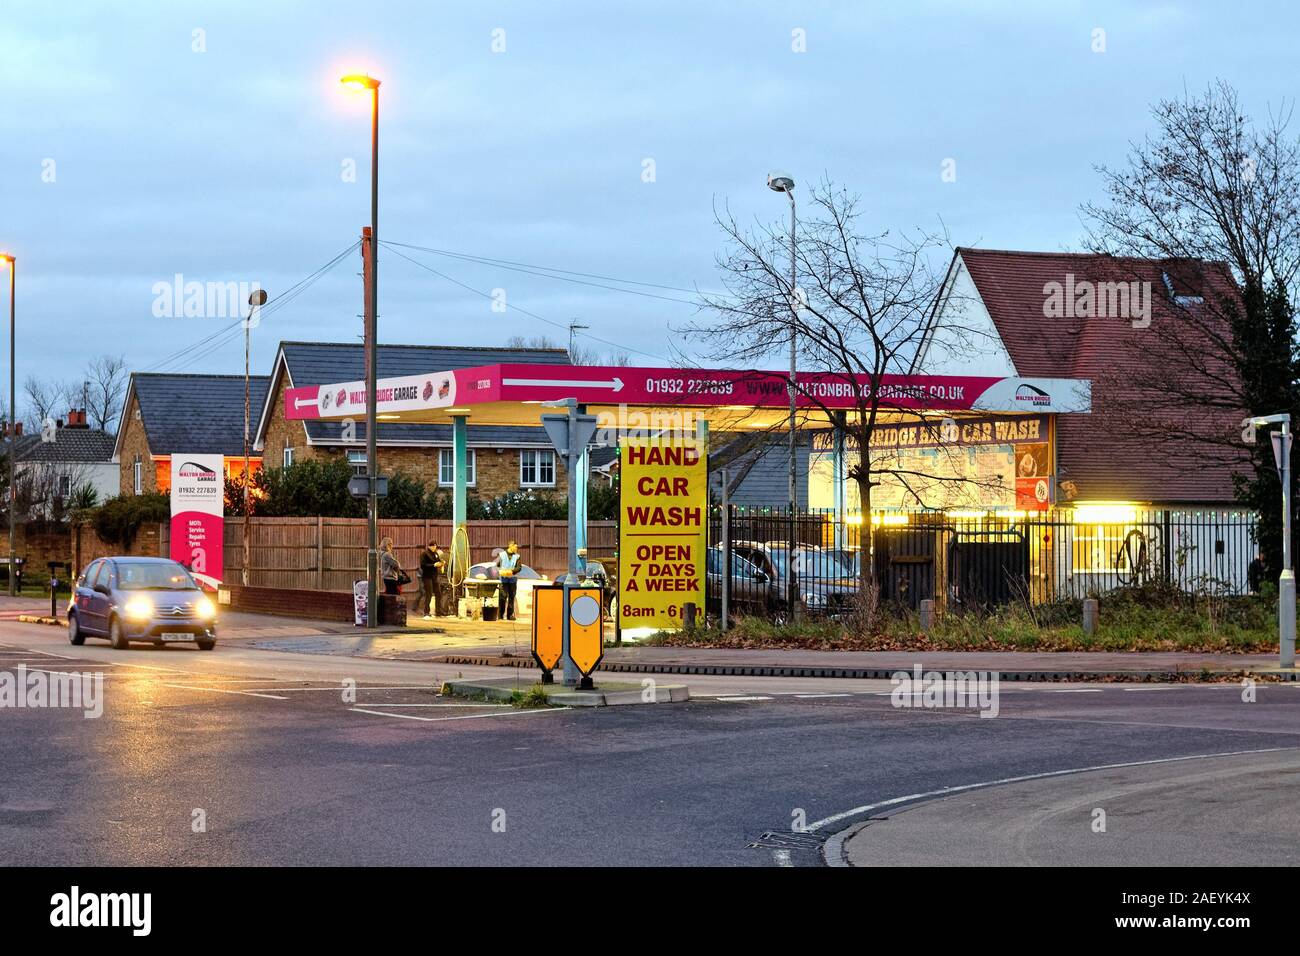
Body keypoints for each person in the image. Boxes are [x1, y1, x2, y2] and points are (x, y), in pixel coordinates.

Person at [494, 540, 522, 620]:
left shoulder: (517, 556)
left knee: (511, 597)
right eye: (515, 547)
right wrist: (500, 571)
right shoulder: (502, 555)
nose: (516, 548)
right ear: (510, 546)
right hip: (503, 580)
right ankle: (500, 615)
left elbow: (519, 567)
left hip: (512, 579)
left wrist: (512, 571)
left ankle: (510, 616)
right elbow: (497, 566)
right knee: (502, 597)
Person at [417, 540, 446, 619]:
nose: (434, 547)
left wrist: (441, 563)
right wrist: (433, 565)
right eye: (432, 546)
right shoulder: (424, 554)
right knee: (428, 594)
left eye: (435, 546)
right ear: (429, 546)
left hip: (434, 576)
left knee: (438, 594)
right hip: (427, 577)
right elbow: (423, 565)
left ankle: (438, 611)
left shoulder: (436, 554)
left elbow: (438, 561)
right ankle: (426, 612)